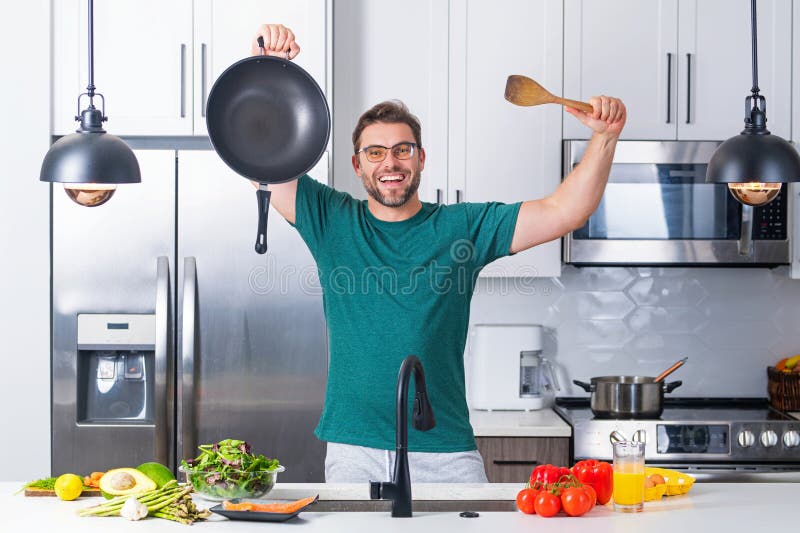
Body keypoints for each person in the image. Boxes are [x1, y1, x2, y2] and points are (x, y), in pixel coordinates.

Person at [251, 24, 626, 483]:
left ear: (421, 158)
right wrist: (268, 68)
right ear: (357, 164)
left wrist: (605, 137)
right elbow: (256, 156)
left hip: (445, 450)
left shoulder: (460, 227)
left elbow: (564, 210)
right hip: (354, 450)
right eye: (375, 152)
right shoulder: (330, 219)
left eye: (402, 149)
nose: (390, 163)